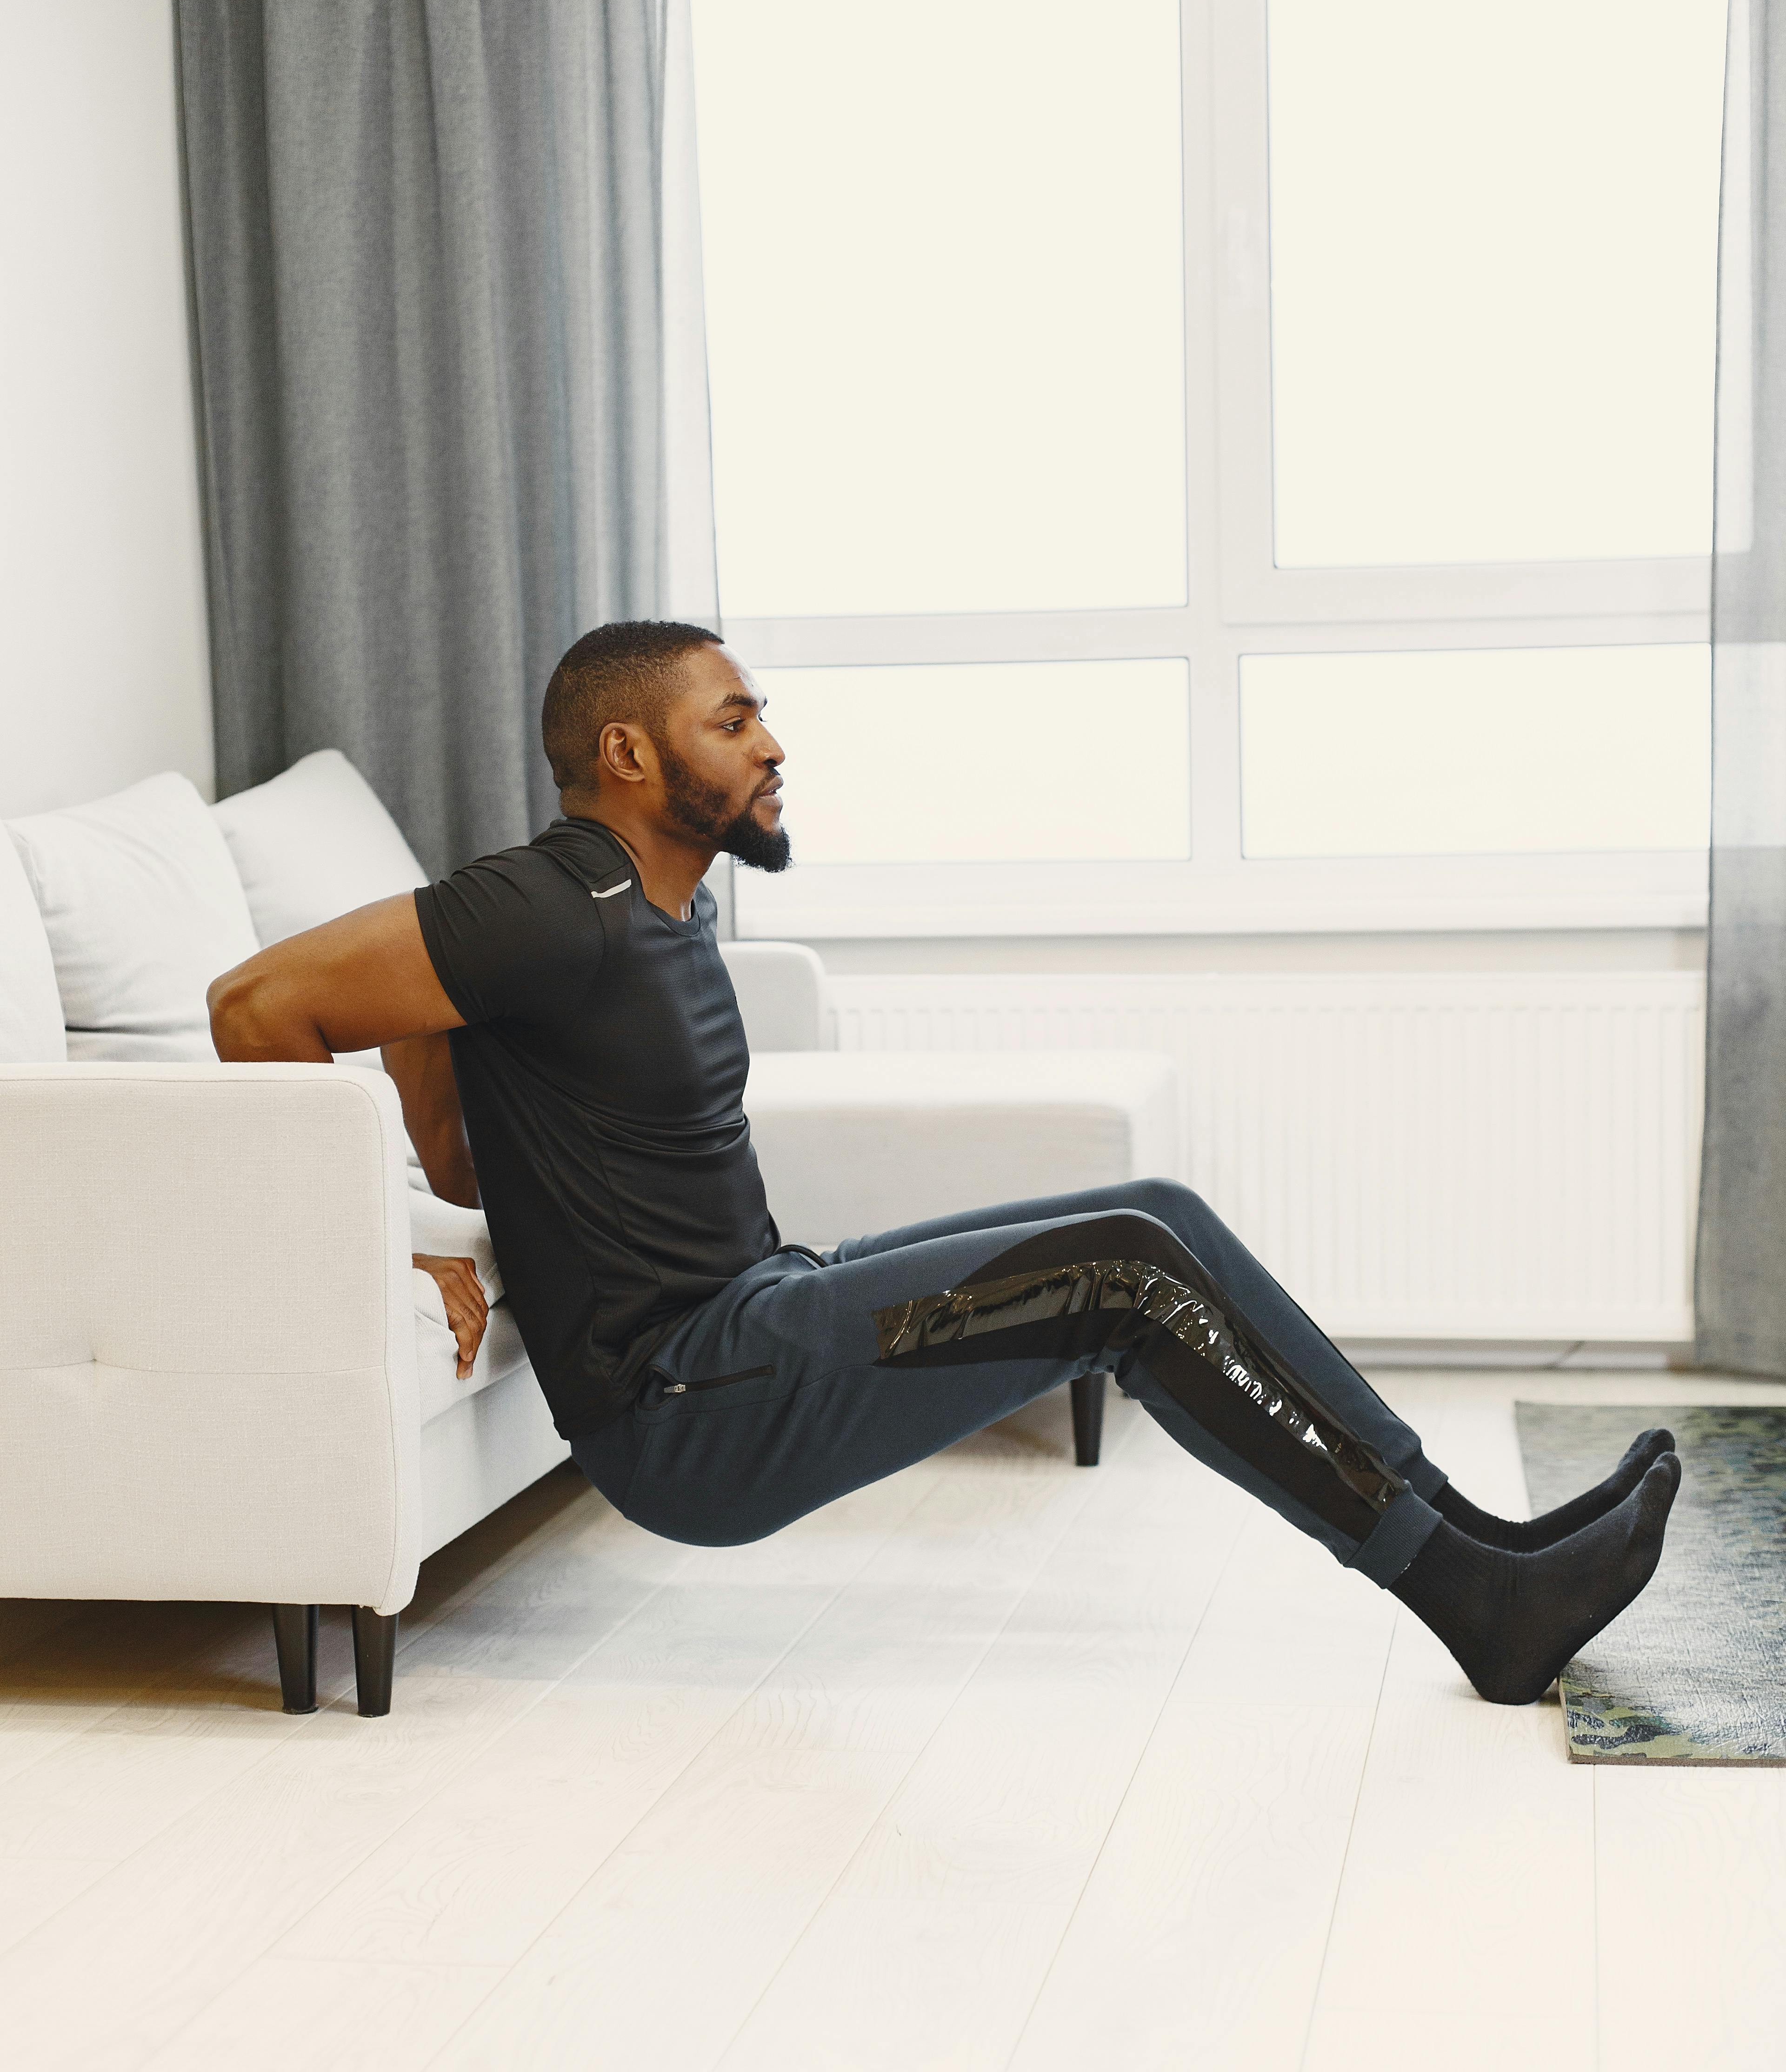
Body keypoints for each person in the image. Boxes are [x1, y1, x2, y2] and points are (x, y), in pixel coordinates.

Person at [208, 620, 1679, 1706]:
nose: (773, 744)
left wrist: (439, 1130)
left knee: (1152, 1217)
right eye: (734, 723)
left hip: (758, 1313)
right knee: (1123, 1278)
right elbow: (257, 1006)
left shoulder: (657, 915)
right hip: (687, 1400)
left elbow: (451, 1118)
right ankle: (1473, 1601)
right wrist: (379, 1247)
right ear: (627, 754)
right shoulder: (545, 900)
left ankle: (1475, 1536)